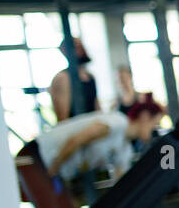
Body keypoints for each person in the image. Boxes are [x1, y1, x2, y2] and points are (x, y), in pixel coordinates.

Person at [31, 98, 164, 182]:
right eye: (155, 123)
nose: (154, 129)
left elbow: (122, 182)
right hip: (41, 157)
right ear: (145, 116)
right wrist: (52, 170)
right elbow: (76, 140)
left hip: (54, 171)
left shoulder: (125, 149)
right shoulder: (117, 122)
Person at [49, 36, 98, 122]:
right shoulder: (63, 78)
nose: (82, 50)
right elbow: (62, 119)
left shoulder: (90, 76)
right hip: (77, 128)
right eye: (77, 46)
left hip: (91, 124)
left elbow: (96, 107)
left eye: (81, 45)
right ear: (65, 51)